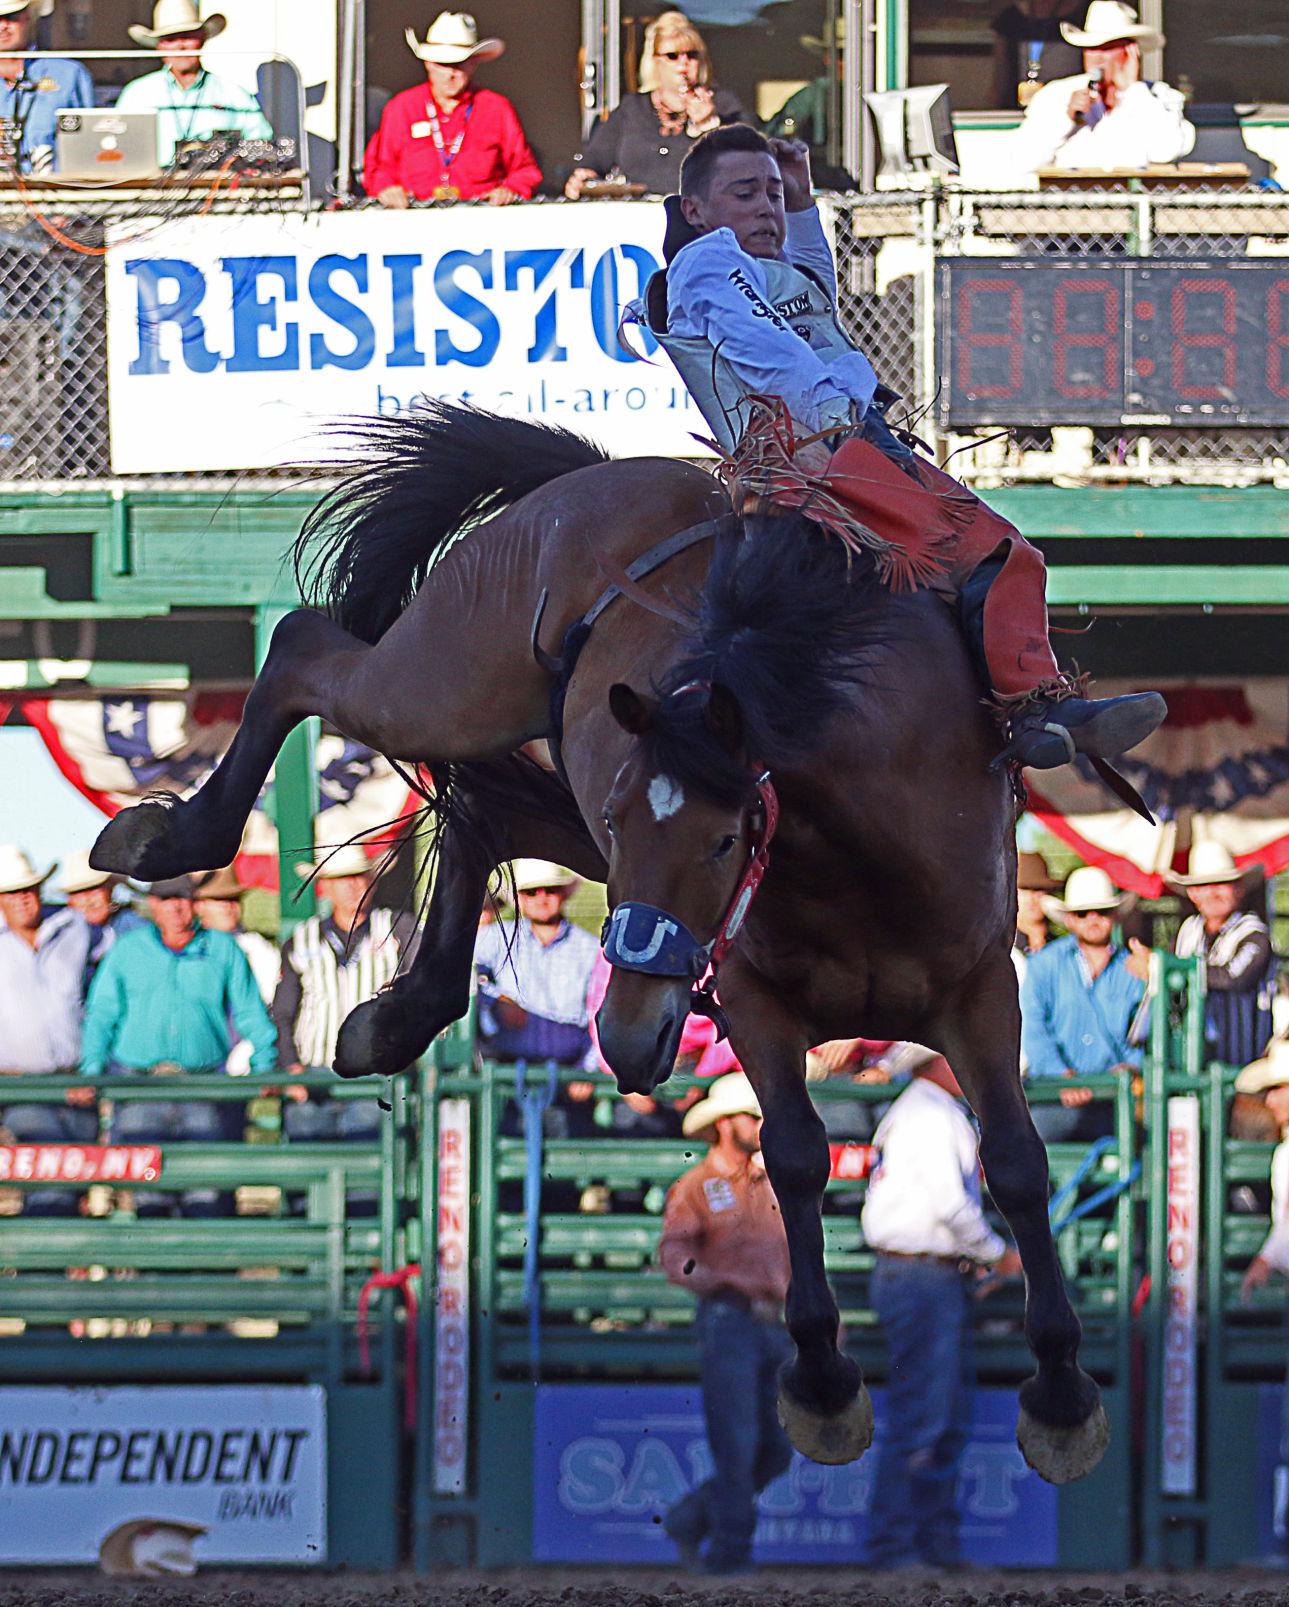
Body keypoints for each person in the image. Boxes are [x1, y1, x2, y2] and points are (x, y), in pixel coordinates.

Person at [635, 122, 1165, 775]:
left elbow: (808, 295)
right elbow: (765, 351)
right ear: (695, 210)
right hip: (816, 452)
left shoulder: (759, 269)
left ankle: (1031, 705)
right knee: (994, 552)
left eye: (771, 194)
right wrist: (835, 421)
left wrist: (801, 200)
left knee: (1006, 554)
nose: (765, 206)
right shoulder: (706, 259)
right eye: (746, 193)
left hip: (840, 444)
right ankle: (1032, 707)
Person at [860, 1045, 1022, 1568]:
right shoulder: (934, 1115)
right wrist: (997, 1256)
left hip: (920, 1271)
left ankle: (923, 1542)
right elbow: (952, 1206)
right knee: (928, 1415)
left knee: (936, 1414)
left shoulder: (918, 1112)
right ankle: (899, 1543)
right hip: (922, 1276)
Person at [658, 1071, 792, 1576]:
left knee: (774, 1447)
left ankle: (691, 1519)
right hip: (729, 1315)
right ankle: (730, 1552)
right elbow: (676, 1252)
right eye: (751, 1116)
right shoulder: (698, 1186)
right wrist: (710, 1278)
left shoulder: (769, 1184)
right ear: (723, 1123)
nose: (759, 1125)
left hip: (772, 1321)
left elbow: (797, 1258)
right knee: (738, 1441)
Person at [80, 875, 277, 1217]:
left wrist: (265, 1067)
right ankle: (159, 1269)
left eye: (182, 897)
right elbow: (102, 1015)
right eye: (165, 898)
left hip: (201, 1087)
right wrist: (91, 1072)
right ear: (153, 905)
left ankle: (203, 1269)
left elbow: (250, 1012)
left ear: (195, 903)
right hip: (140, 1087)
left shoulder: (222, 949)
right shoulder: (128, 951)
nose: (175, 906)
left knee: (205, 1192)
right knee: (148, 1197)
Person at [272, 845, 411, 1144]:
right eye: (343, 879)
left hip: (374, 1074)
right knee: (309, 1172)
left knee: (370, 1176)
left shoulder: (398, 930)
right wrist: (291, 1066)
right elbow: (283, 1012)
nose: (354, 887)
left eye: (360, 877)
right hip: (313, 1074)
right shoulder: (301, 939)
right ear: (326, 887)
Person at [0, 846, 95, 1216]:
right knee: (50, 1174)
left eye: (29, 889)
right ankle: (43, 1267)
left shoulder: (73, 928)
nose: (23, 899)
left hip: (76, 1080)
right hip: (21, 1083)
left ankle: (54, 1266)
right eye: (13, 892)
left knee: (78, 1177)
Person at [362, 11, 540, 207]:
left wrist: (509, 191)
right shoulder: (401, 108)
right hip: (414, 223)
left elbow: (525, 171)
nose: (450, 74)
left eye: (458, 64)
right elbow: (377, 169)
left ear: (474, 63)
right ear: (427, 63)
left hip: (481, 224)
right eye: (442, 64)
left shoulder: (497, 109)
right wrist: (387, 190)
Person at [1020, 865, 1146, 1141]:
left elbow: (1145, 1034)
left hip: (1116, 1100)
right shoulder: (1043, 965)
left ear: (1114, 916)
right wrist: (1061, 1076)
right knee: (1032, 1142)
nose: (1092, 919)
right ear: (1069, 920)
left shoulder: (1135, 971)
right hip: (1055, 1097)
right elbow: (1033, 1028)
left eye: (1101, 911)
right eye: (1082, 913)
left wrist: (1130, 1066)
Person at [565, 11, 746, 200]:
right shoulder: (632, 108)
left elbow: (747, 160)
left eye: (692, 55)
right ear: (655, 61)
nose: (683, 63)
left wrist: (710, 125)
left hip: (699, 213)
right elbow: (595, 159)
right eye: (673, 56)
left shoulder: (724, 105)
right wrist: (584, 177)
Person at [1005, 0, 1194, 175]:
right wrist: (1066, 117)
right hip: (1073, 203)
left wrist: (1134, 89)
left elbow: (1166, 151)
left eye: (1108, 49)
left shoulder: (1160, 96)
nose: (1097, 58)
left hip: (1134, 201)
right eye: (1091, 49)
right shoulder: (1057, 94)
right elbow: (1022, 160)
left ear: (1130, 53)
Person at [115, 0, 272, 169]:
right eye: (171, 39)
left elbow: (262, 146)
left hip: (217, 189)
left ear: (202, 39)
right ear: (160, 46)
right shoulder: (135, 94)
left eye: (187, 36)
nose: (181, 45)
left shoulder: (235, 95)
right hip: (148, 190)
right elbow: (115, 147)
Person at [473, 859, 599, 1066]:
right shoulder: (496, 937)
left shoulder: (590, 947)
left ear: (563, 894)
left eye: (550, 890)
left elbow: (600, 1010)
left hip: (571, 1066)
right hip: (508, 1066)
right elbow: (464, 975)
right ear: (520, 898)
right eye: (531, 892)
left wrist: (588, 1068)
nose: (542, 898)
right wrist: (496, 1000)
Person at [1169, 843, 1275, 1070]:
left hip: (1244, 1071)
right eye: (1203, 885)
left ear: (1239, 888)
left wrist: (1161, 967)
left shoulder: (1254, 935)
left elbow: (1232, 978)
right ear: (1192, 893)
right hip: (1192, 1065)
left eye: (1221, 883)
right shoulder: (1188, 931)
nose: (1212, 892)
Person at [0, 0, 93, 173]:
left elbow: (91, 141)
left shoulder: (69, 74)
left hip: (60, 192)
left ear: (27, 17)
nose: (3, 26)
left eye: (11, 17)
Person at [56, 850, 146, 990]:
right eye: (79, 892)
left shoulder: (136, 929)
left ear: (110, 890)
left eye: (95, 889)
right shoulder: (58, 937)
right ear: (70, 901)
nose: (89, 900)